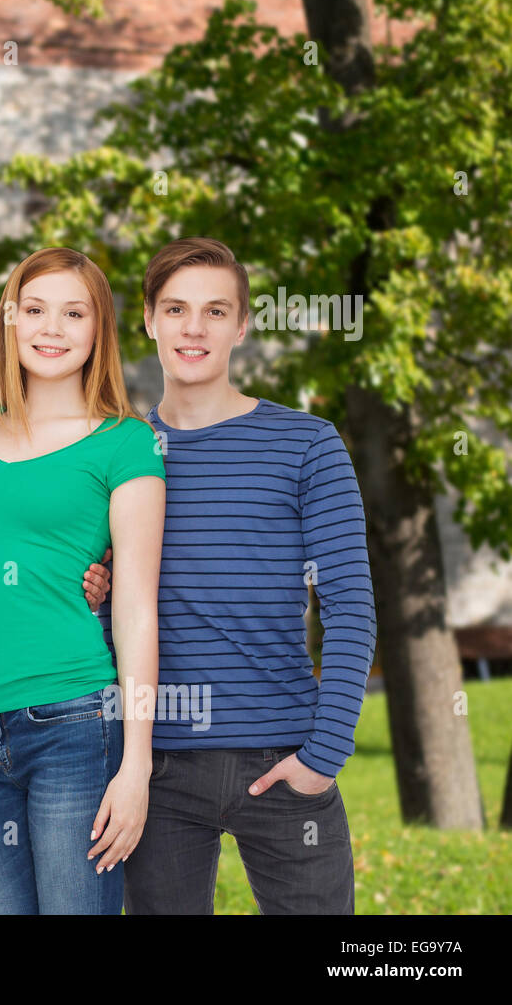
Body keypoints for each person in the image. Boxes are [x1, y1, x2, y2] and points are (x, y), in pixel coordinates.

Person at [97, 237, 376, 914]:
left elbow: (350, 607)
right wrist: (93, 595)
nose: (194, 328)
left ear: (242, 324)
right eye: (176, 309)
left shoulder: (308, 444)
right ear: (148, 319)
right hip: (156, 769)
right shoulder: (116, 451)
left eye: (215, 311)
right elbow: (109, 609)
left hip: (282, 760)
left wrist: (323, 757)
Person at [0, 247, 166, 915]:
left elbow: (137, 609)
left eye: (74, 313)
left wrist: (137, 765)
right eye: (34, 310)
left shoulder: (125, 442)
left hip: (75, 721)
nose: (52, 328)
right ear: (10, 320)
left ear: (99, 331)